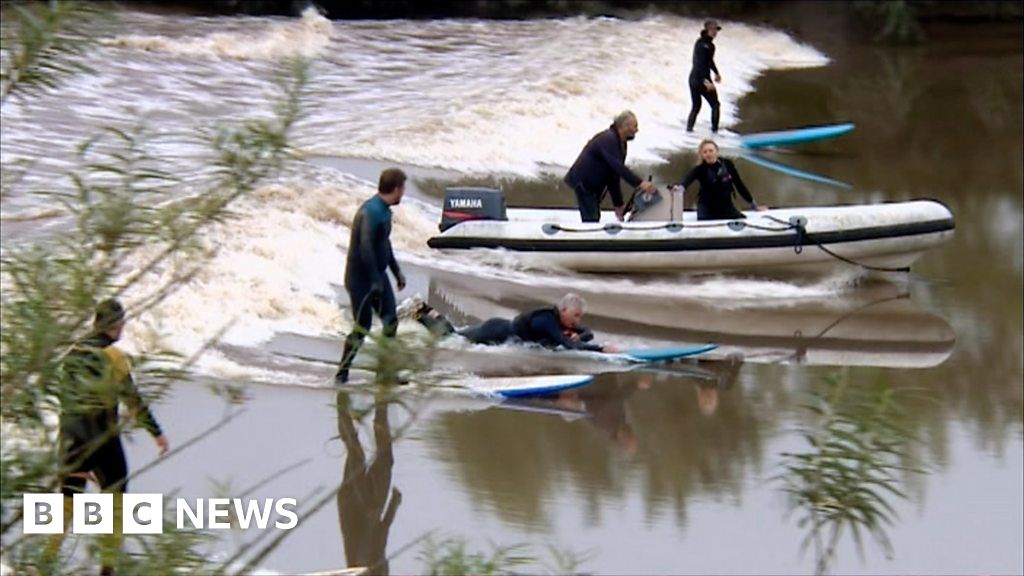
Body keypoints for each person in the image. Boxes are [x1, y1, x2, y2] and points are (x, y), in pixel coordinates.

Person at [46, 298, 170, 575]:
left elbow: (64, 402)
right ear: (115, 325)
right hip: (103, 439)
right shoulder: (113, 357)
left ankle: (45, 562)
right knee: (116, 501)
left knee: (67, 501)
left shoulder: (72, 354)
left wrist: (65, 451)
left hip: (72, 440)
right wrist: (157, 433)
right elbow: (132, 399)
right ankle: (107, 569)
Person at [335, 168, 408, 384]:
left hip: (378, 274)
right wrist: (375, 280)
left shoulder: (384, 211)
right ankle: (342, 373)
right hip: (360, 278)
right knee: (362, 327)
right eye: (402, 189)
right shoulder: (370, 212)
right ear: (396, 189)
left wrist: (396, 271)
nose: (403, 194)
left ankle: (384, 373)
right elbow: (365, 246)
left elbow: (384, 243)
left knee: (390, 322)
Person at [407, 293, 620, 353]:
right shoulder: (548, 321)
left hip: (501, 328)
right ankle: (419, 314)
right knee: (452, 338)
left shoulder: (564, 321)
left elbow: (587, 333)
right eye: (576, 316)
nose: (578, 321)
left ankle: (425, 310)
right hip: (497, 331)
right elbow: (568, 346)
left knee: (457, 334)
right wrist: (601, 349)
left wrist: (580, 335)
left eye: (579, 317)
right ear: (564, 310)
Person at [564, 110, 657, 223]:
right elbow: (619, 167)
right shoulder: (608, 139)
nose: (637, 130)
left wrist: (618, 204)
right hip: (583, 182)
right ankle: (589, 239)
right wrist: (640, 183)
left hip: (594, 185)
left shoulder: (621, 144)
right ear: (624, 127)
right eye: (635, 126)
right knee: (591, 220)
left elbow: (614, 176)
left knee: (593, 216)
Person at [673, 139, 768, 220]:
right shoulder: (700, 169)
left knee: (742, 220)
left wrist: (754, 205)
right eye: (705, 152)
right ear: (702, 155)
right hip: (707, 208)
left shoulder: (727, 164)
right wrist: (681, 187)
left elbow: (739, 185)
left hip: (726, 206)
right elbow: (687, 179)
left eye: (711, 151)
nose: (708, 154)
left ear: (717, 152)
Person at [686, 20, 723, 133]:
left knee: (696, 106)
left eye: (716, 30)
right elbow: (700, 63)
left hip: (693, 78)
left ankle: (688, 131)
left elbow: (709, 61)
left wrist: (716, 73)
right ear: (706, 30)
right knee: (715, 104)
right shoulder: (706, 45)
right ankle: (715, 132)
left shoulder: (701, 43)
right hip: (700, 79)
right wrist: (706, 81)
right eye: (712, 30)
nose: (715, 32)